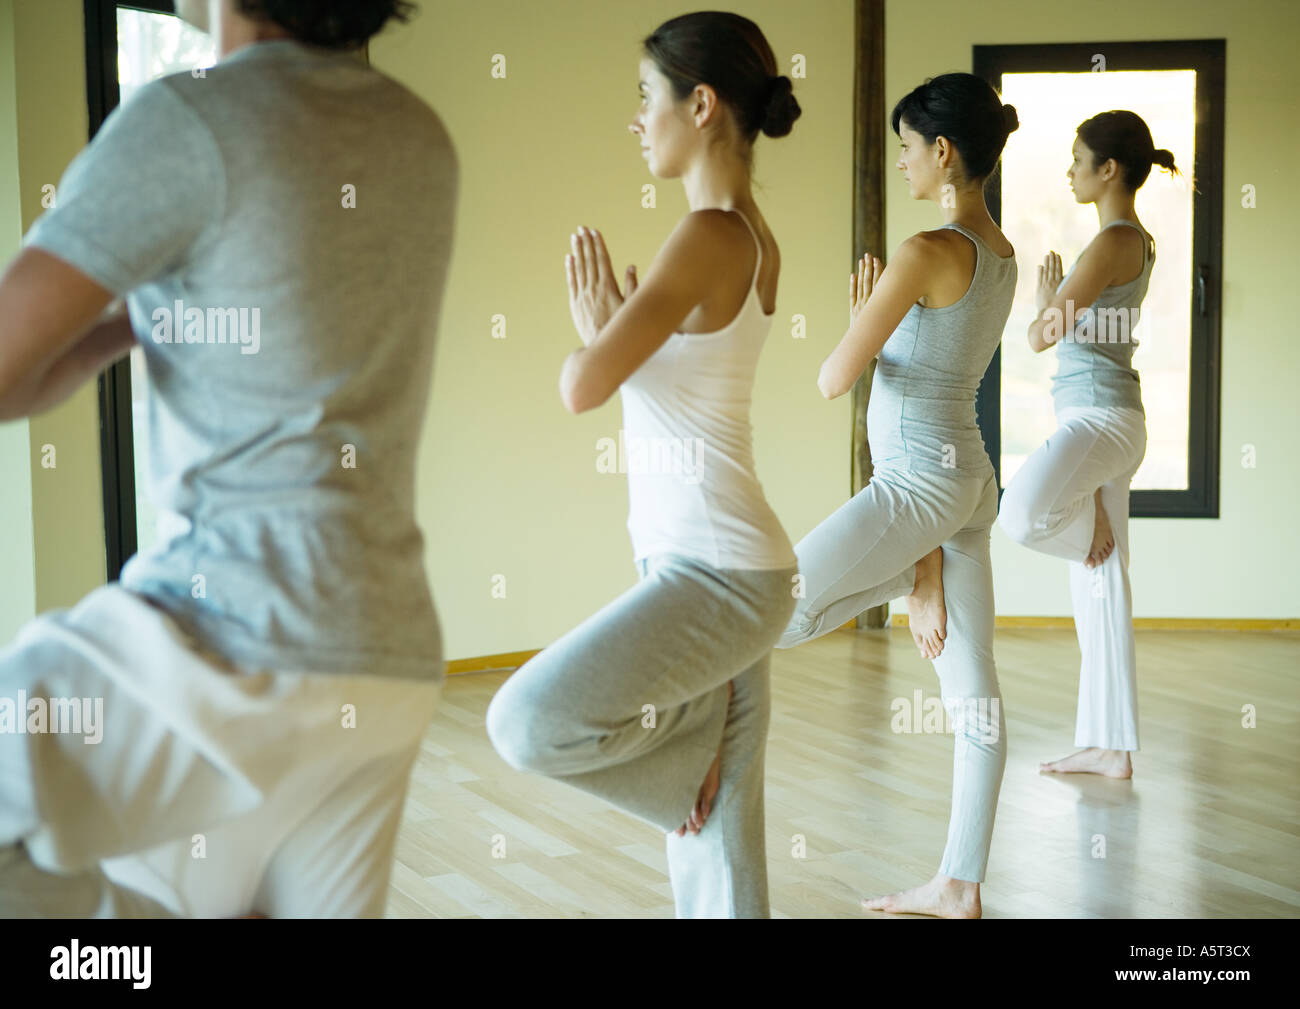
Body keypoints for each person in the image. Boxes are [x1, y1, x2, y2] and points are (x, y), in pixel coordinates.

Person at [0, 0, 456, 917]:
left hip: (228, 640)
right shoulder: (418, 135)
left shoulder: (190, 117)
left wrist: (108, 328)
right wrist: (147, 316)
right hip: (385, 661)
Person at [485, 11, 800, 919]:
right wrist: (627, 343)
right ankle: (686, 784)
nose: (636, 119)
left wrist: (593, 340)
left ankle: (673, 781)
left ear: (701, 104)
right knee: (724, 835)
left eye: (645, 97)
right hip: (722, 563)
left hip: (719, 572)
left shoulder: (708, 235)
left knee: (526, 719)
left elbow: (582, 387)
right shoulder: (751, 233)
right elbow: (678, 387)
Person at [773, 73, 1018, 919]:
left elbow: (834, 375)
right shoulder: (1004, 256)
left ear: (944, 152)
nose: (905, 163)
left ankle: (908, 580)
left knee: (781, 608)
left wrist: (858, 322)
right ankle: (959, 883)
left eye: (909, 147)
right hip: (966, 487)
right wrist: (925, 565)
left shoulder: (924, 250)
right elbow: (939, 362)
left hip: (918, 485)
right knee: (975, 697)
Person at [998, 110, 1178, 780]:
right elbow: (1065, 328)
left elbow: (1043, 334)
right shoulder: (1132, 241)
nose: (1069, 170)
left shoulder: (1113, 241)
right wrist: (1054, 309)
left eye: (1077, 159)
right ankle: (1110, 744)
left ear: (1109, 169)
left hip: (1098, 419)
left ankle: (1086, 526)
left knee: (1019, 514)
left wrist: (1046, 300)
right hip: (1109, 415)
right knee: (1101, 586)